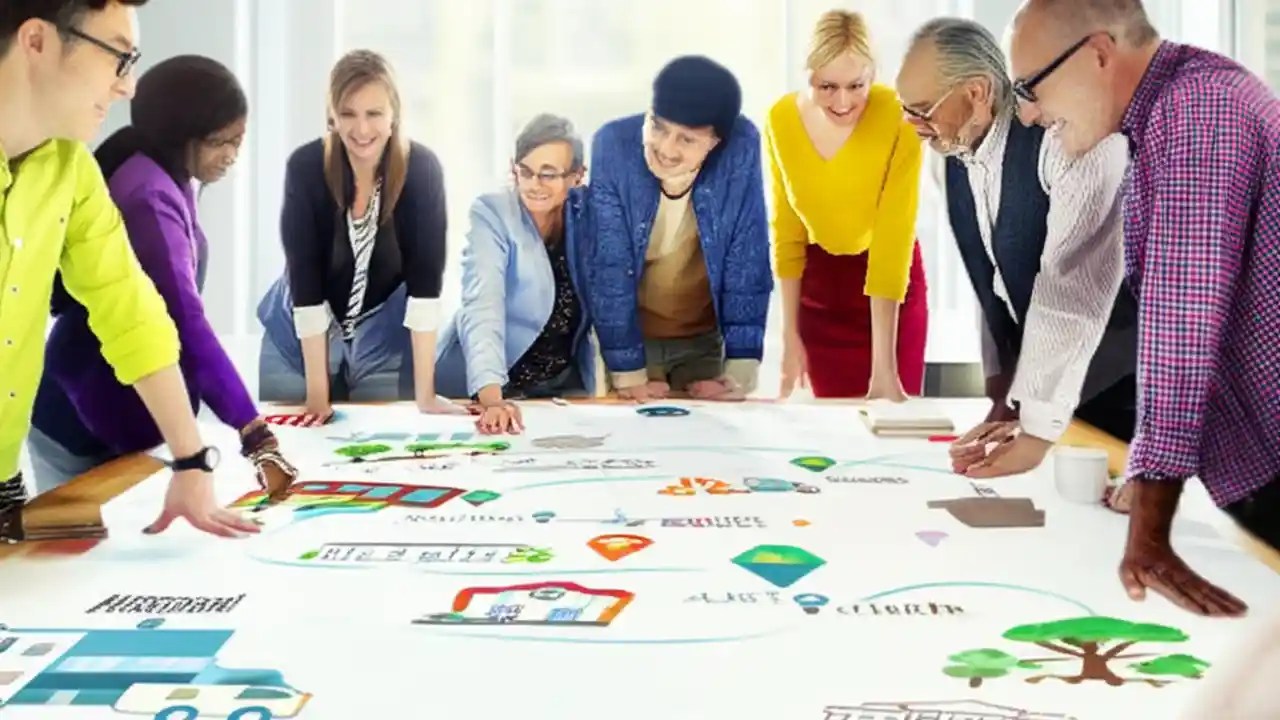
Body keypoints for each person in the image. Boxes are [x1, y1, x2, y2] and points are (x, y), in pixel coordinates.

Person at [1009, 0, 1280, 617]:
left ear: (1098, 53)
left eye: (1031, 86)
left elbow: (1182, 324)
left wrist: (1150, 538)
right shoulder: (1173, 110)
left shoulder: (1197, 114)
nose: (1029, 114)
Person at [0, 0, 259, 540]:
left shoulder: (70, 169)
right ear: (36, 41)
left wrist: (191, 461)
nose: (129, 86)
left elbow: (132, 313)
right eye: (119, 56)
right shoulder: (144, 191)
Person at [28, 55, 298, 500]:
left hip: (112, 400)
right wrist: (255, 434)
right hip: (80, 417)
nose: (231, 156)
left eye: (238, 141)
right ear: (181, 136)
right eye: (220, 143)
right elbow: (184, 323)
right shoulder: (148, 196)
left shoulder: (163, 173)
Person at [895, 17, 1137, 480]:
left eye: (922, 109)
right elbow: (993, 285)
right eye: (906, 109)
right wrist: (1006, 404)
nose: (913, 126)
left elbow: (1070, 295)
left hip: (1131, 387)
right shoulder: (951, 160)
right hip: (1057, 400)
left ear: (977, 92)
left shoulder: (1066, 140)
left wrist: (1035, 432)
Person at [256, 49, 458, 424]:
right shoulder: (306, 167)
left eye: (374, 113)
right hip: (297, 340)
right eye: (348, 113)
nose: (361, 130)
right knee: (300, 446)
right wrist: (318, 396)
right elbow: (305, 281)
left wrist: (425, 395)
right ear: (331, 114)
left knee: (377, 441)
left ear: (394, 114)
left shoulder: (421, 170)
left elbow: (425, 284)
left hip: (381, 334)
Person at [585, 55, 773, 403]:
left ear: (716, 141)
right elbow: (608, 266)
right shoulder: (612, 145)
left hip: (702, 339)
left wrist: (740, 368)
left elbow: (748, 253)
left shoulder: (740, 146)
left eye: (686, 140)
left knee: (708, 443)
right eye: (658, 127)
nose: (665, 148)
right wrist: (627, 371)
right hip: (632, 338)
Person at [764, 10, 927, 400]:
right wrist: (789, 336)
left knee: (890, 425)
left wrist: (884, 368)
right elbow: (786, 233)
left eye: (857, 85)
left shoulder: (898, 115)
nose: (842, 102)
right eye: (826, 86)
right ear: (807, 74)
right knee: (837, 440)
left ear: (873, 75)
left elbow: (894, 236)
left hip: (891, 291)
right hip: (819, 295)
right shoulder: (781, 120)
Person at [435, 114, 597, 435]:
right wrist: (492, 399)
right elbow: (482, 304)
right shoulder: (493, 212)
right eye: (525, 171)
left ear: (577, 176)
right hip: (487, 386)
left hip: (560, 390)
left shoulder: (590, 216)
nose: (534, 185)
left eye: (548, 174)